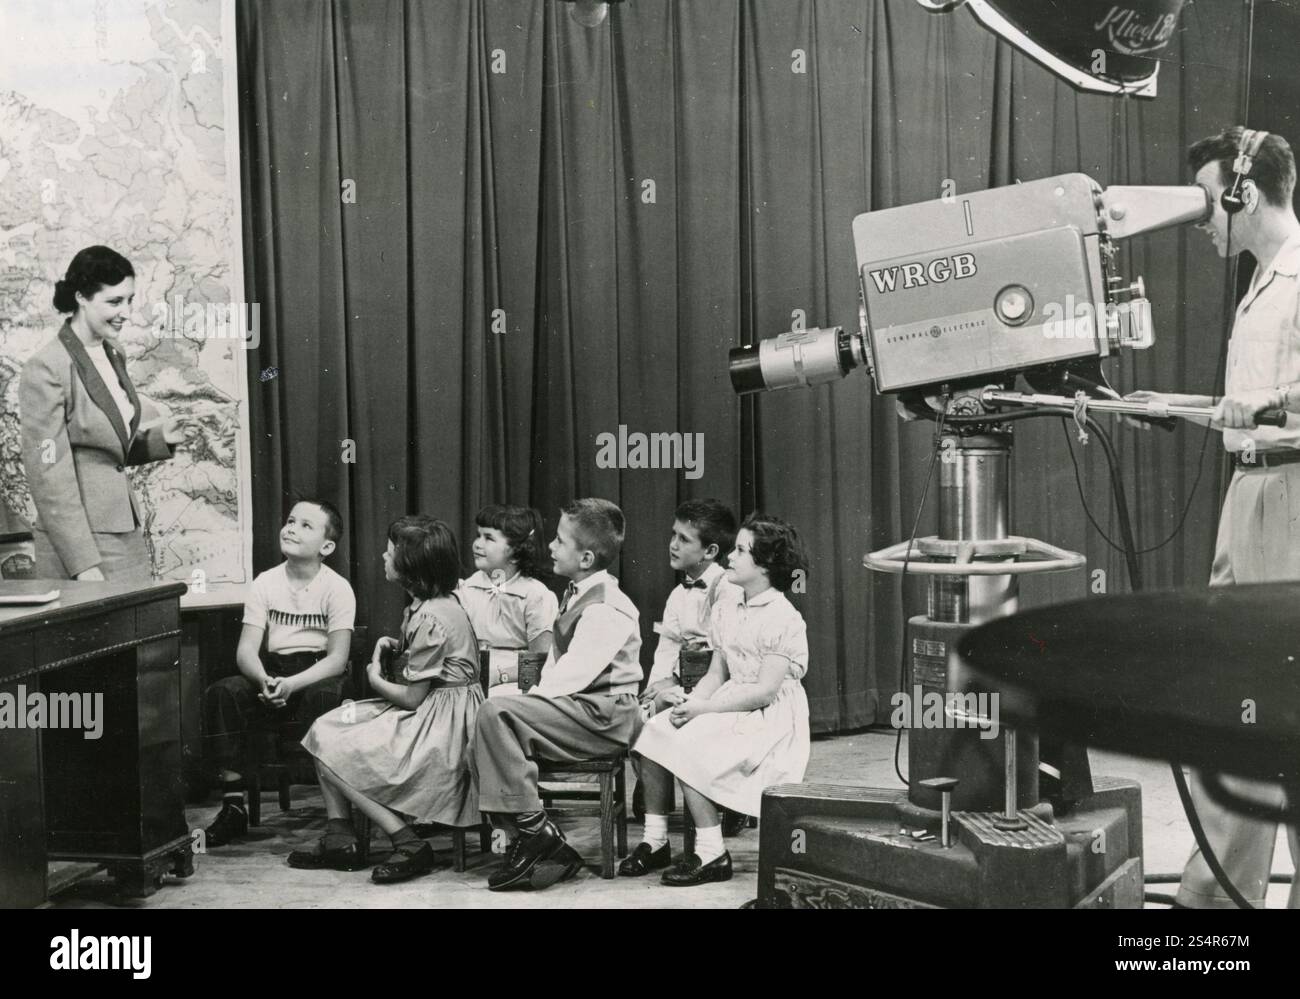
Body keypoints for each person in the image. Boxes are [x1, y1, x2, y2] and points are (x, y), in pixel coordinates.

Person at [1127, 126, 1300, 909]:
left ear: (1245, 193)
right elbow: (1245, 408)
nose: (1199, 221)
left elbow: (1271, 404)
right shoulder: (1263, 280)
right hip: (1250, 494)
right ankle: (1216, 903)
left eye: (1206, 203)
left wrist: (1266, 404)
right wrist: (1172, 405)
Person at [293, 515, 483, 884]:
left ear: (411, 565)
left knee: (328, 744)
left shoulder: (430, 615)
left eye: (390, 552)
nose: (383, 556)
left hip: (443, 729)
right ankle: (339, 836)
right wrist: (394, 645)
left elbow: (412, 697)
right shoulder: (434, 604)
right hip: (442, 711)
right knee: (326, 728)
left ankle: (406, 841)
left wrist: (374, 678)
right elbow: (438, 659)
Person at [468, 498, 642, 891]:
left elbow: (570, 676)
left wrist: (520, 706)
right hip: (582, 709)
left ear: (586, 558)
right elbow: (555, 669)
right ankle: (534, 840)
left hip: (606, 717)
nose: (550, 546)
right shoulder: (578, 592)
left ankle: (537, 835)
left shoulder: (607, 606)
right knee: (482, 732)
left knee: (495, 714)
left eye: (560, 541)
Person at [626, 514, 810, 885]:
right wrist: (689, 704)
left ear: (765, 565)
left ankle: (712, 853)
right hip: (729, 702)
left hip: (768, 717)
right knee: (656, 730)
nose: (730, 556)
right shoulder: (728, 607)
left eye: (741, 551)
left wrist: (704, 710)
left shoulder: (783, 617)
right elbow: (716, 673)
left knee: (690, 744)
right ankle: (655, 840)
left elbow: (764, 691)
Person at [20, 246, 189, 582]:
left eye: (129, 300)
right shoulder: (47, 367)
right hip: (81, 543)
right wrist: (82, 564)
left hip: (124, 531)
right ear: (81, 297)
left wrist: (159, 439)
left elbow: (104, 448)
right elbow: (48, 474)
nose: (126, 312)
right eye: (114, 302)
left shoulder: (113, 352)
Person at [202, 499, 356, 847]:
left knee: (326, 698)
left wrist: (292, 684)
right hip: (273, 674)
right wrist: (266, 681)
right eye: (290, 521)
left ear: (326, 547)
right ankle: (233, 807)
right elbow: (246, 651)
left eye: (305, 525)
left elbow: (337, 658)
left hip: (316, 674)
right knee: (223, 693)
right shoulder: (265, 583)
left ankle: (338, 819)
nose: (291, 529)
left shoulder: (337, 588)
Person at [457, 504, 557, 696]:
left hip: (515, 685)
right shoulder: (467, 588)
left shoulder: (535, 595)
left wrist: (498, 676)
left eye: (489, 538)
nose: (477, 544)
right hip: (471, 678)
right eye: (478, 535)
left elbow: (541, 660)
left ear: (515, 552)